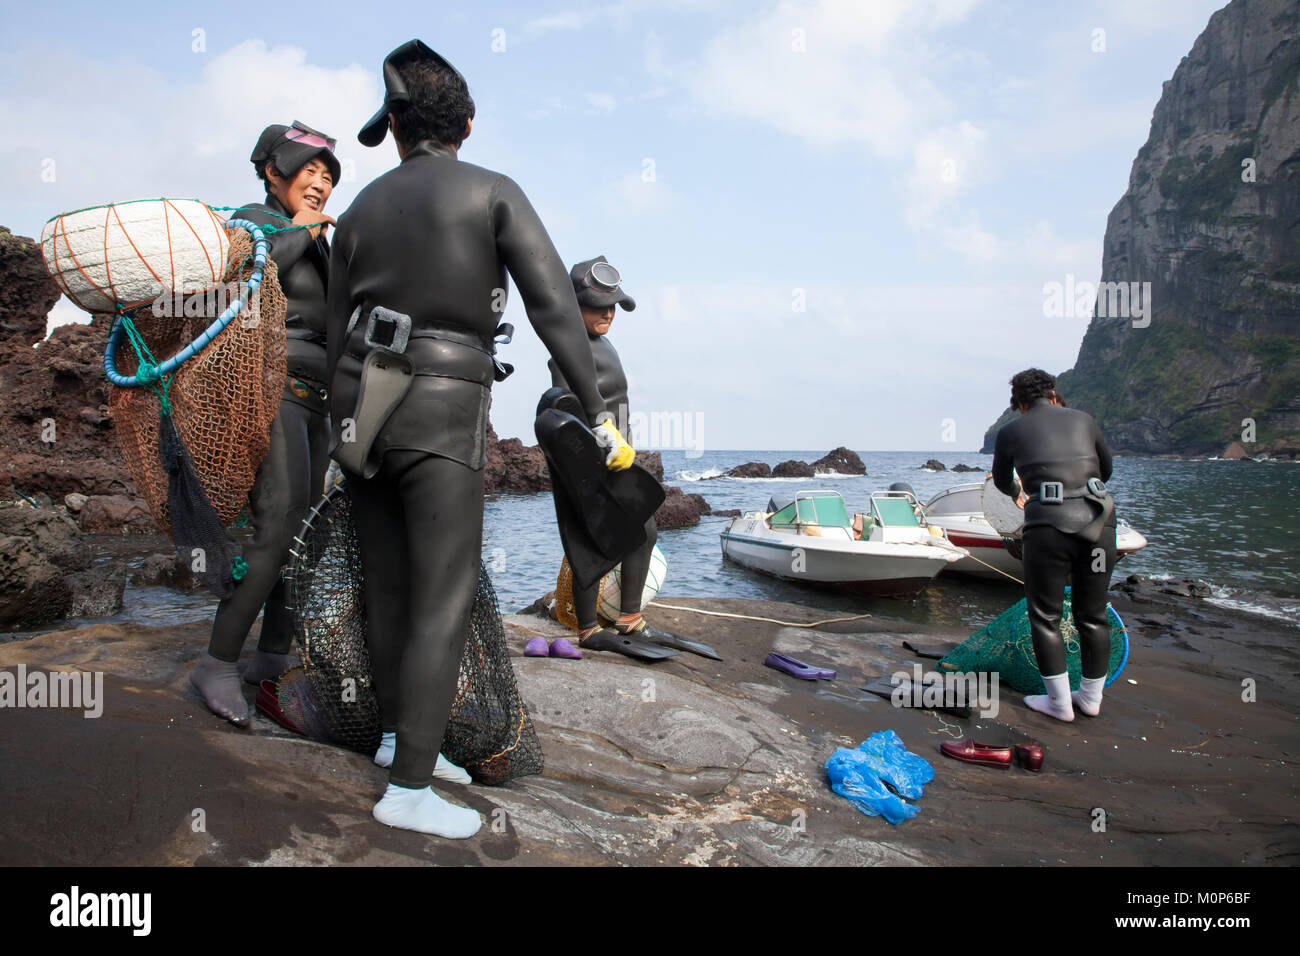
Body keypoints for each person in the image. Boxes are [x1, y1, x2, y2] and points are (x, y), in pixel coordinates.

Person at [326, 40, 627, 838]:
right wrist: (596, 411)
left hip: (363, 411)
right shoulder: (492, 191)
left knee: (388, 588)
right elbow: (555, 308)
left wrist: (342, 428)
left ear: (393, 128)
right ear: (466, 121)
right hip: (444, 403)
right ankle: (412, 789)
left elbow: (331, 339)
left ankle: (401, 742)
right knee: (444, 591)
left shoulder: (354, 214)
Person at [189, 121, 339, 726]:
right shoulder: (254, 221)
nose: (321, 183)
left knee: (308, 534)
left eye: (328, 176)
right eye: (310, 170)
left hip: (320, 403)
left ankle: (271, 658)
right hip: (271, 394)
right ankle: (218, 662)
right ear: (275, 172)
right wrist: (301, 230)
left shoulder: (322, 242)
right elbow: (250, 277)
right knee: (275, 528)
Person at [548, 258, 720, 662]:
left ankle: (628, 618)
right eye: (596, 305)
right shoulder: (567, 348)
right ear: (574, 305)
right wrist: (591, 449)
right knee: (590, 540)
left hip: (618, 456)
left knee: (644, 531)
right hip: (589, 458)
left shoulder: (602, 344)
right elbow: (563, 403)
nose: (607, 313)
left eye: (613, 306)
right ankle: (589, 628)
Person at [991, 368, 1117, 722]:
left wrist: (1020, 491)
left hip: (1049, 526)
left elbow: (1003, 481)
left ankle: (1060, 704)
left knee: (1046, 615)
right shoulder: (1084, 420)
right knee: (1092, 614)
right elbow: (1105, 470)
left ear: (1018, 401)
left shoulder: (1011, 431)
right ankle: (1091, 699)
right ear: (1054, 392)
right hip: (1099, 521)